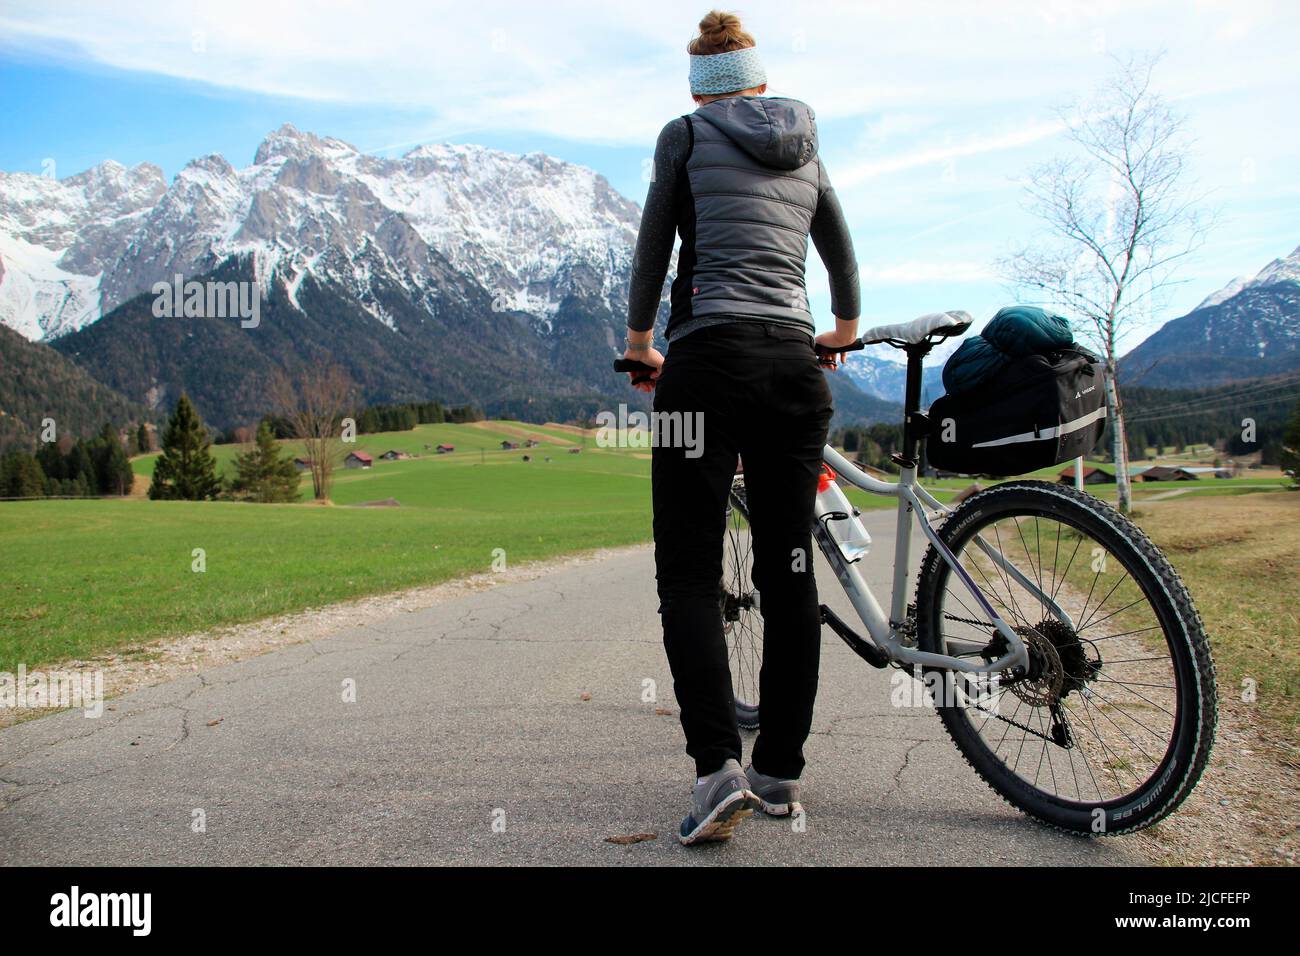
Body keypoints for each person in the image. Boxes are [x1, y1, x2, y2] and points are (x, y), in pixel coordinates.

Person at [624, 9, 861, 845]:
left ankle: (717, 769)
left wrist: (641, 344)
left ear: (702, 88)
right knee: (789, 568)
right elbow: (838, 245)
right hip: (795, 369)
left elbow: (655, 244)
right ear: (758, 84)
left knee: (688, 572)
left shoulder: (684, 136)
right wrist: (840, 327)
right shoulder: (805, 138)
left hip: (705, 367)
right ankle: (781, 775)